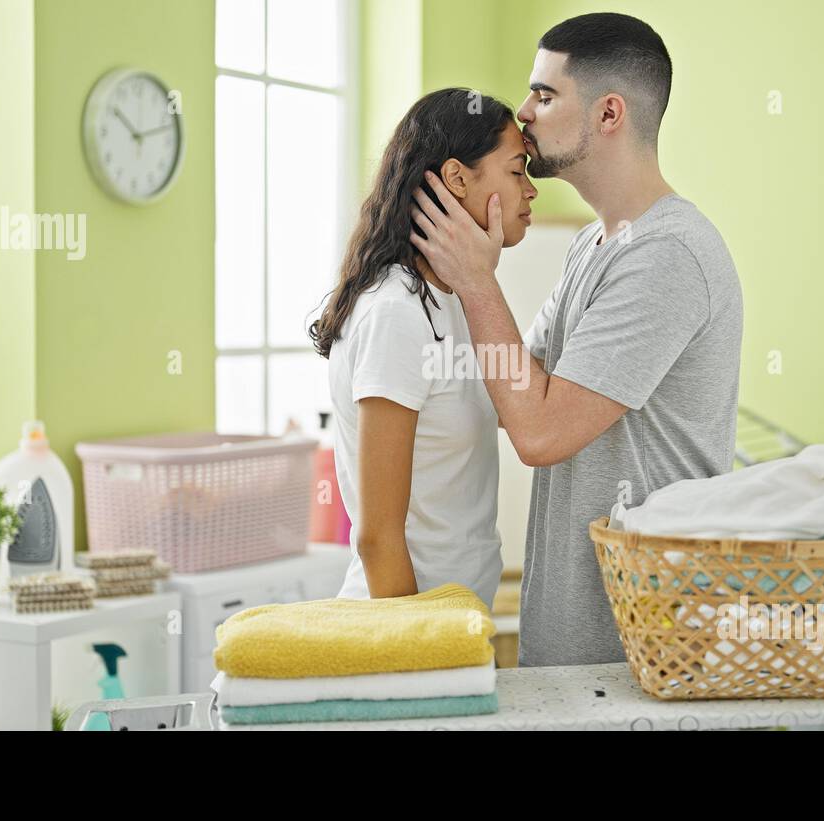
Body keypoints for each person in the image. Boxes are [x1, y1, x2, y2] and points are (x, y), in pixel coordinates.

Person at [409, 13, 744, 665]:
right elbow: (514, 391)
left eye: (545, 94)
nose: (525, 113)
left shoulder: (667, 255)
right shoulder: (596, 245)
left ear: (609, 114)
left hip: (639, 663)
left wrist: (478, 281)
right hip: (571, 654)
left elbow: (538, 432)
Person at [309, 88, 538, 611]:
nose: (531, 191)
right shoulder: (395, 312)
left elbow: (528, 404)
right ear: (458, 178)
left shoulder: (458, 299)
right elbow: (376, 537)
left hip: (457, 621)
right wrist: (419, 657)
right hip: (407, 631)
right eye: (516, 170)